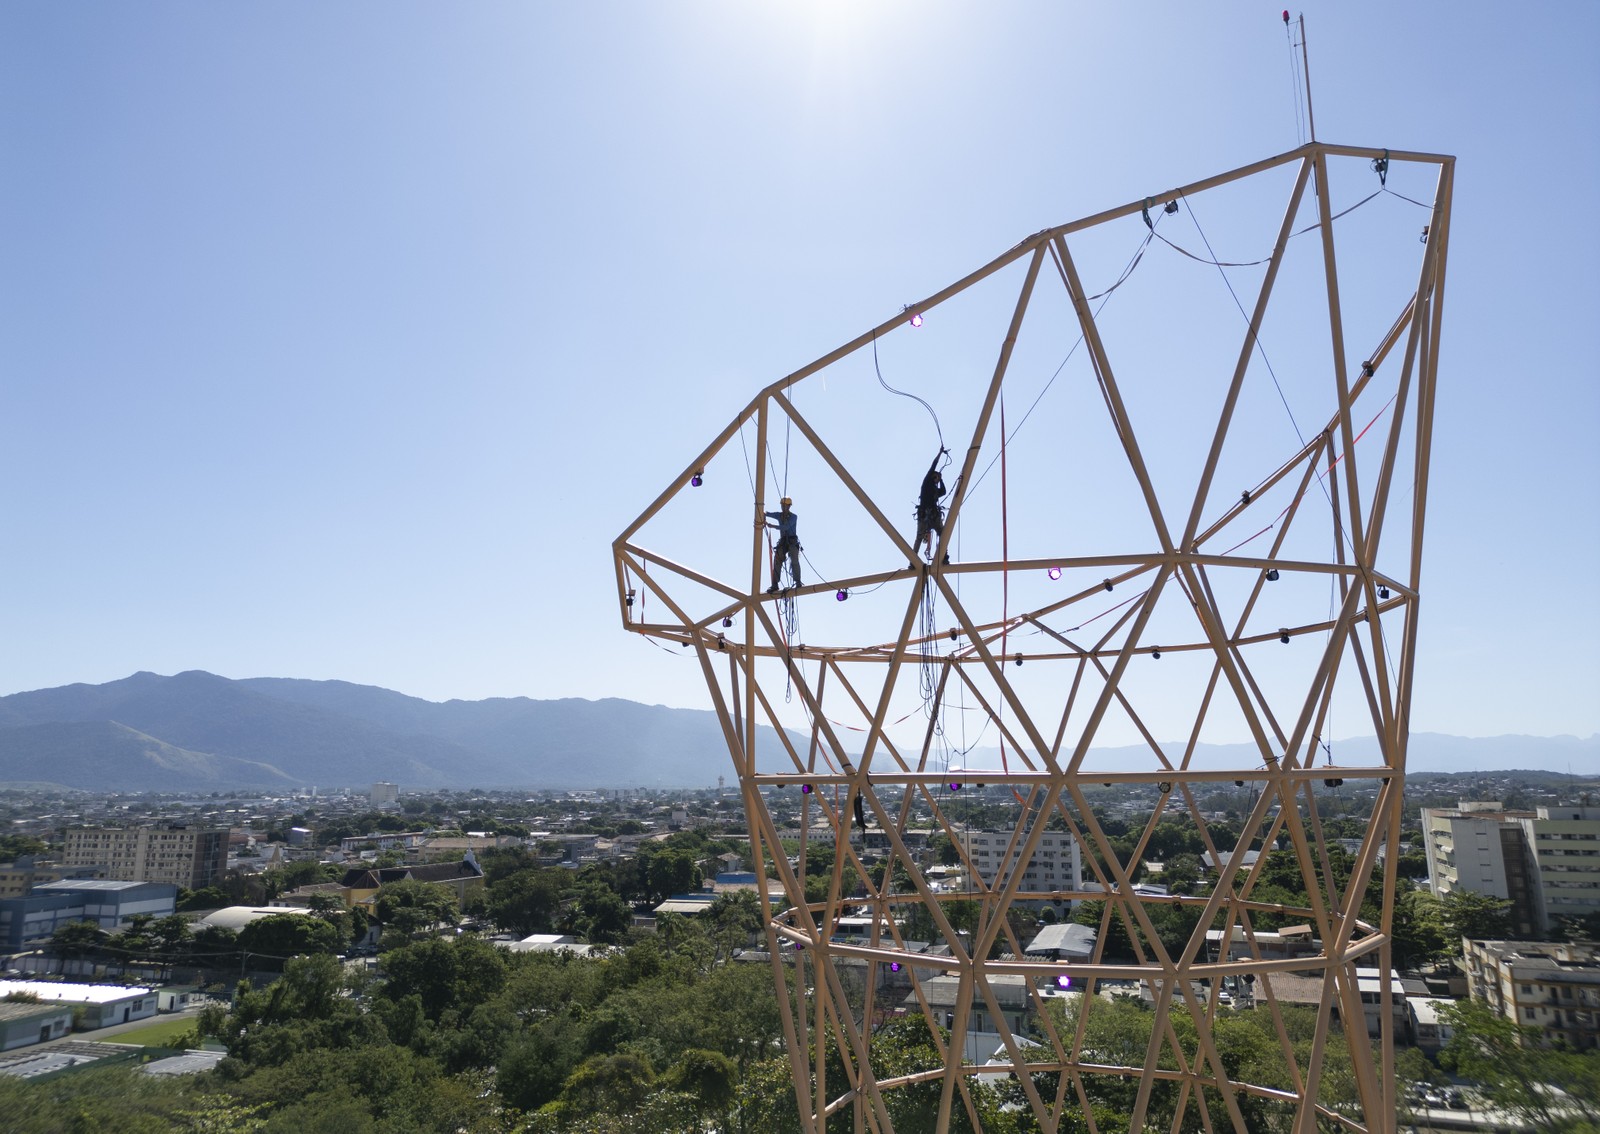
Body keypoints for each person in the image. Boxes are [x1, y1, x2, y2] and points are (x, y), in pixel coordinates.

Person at [914, 449, 949, 563]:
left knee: (943, 533)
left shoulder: (935, 490)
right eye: (935, 477)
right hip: (924, 514)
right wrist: (940, 453)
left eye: (937, 478)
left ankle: (943, 556)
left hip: (933, 515)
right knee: (919, 537)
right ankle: (913, 560)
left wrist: (941, 479)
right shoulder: (926, 483)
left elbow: (943, 491)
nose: (936, 479)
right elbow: (933, 465)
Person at [765, 497, 801, 593]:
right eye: (782, 505)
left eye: (785, 505)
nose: (783, 507)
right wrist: (763, 513)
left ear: (789, 506)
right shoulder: (779, 515)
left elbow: (785, 527)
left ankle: (798, 581)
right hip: (783, 541)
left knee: (794, 560)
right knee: (777, 561)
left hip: (792, 541)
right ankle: (774, 585)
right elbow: (768, 513)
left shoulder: (794, 517)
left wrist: (773, 526)